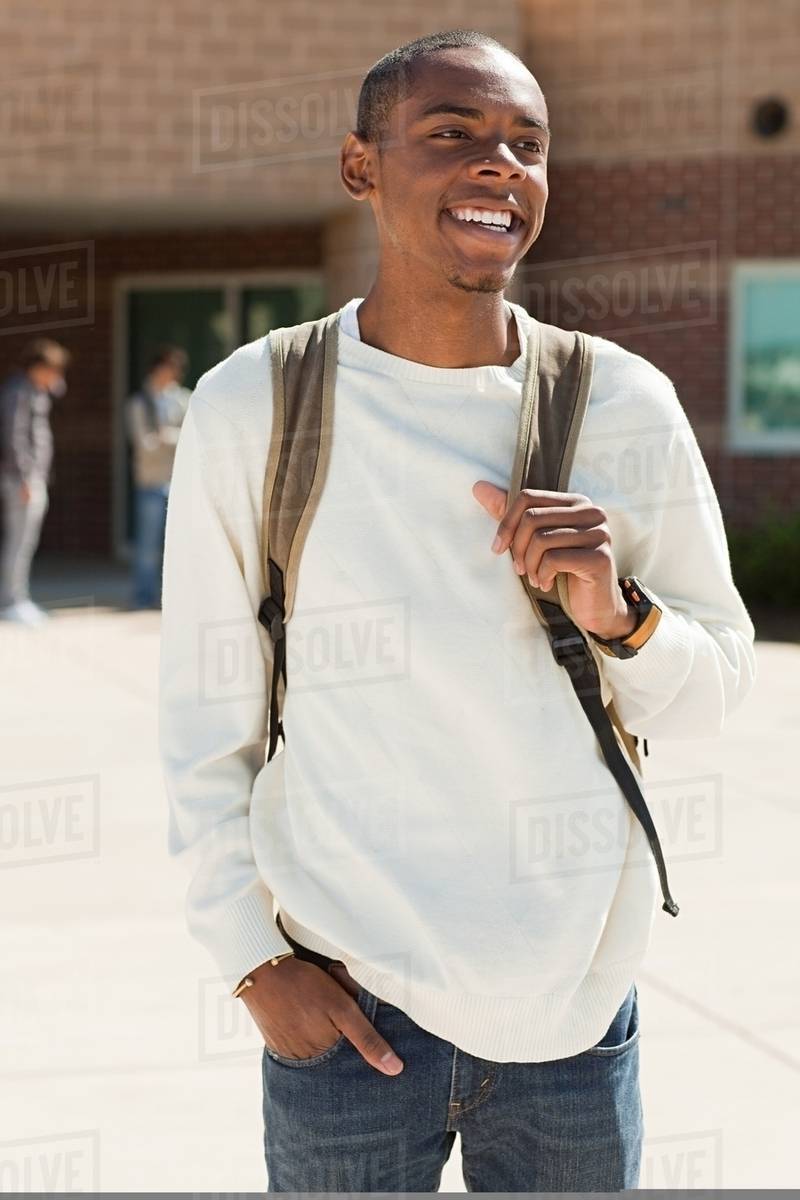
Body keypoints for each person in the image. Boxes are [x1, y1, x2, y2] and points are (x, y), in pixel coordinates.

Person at [158, 30, 757, 1192]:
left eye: (525, 146)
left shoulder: (622, 404)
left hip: (570, 1018)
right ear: (358, 167)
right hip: (343, 1014)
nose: (498, 166)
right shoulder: (255, 407)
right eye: (451, 136)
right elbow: (203, 724)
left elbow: (709, 693)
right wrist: (250, 963)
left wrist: (615, 609)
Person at [0, 338, 70, 626]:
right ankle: (11, 600)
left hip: (32, 477)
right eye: (52, 370)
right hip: (22, 479)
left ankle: (19, 597)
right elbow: (13, 437)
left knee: (26, 541)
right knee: (19, 541)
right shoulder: (18, 392)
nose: (55, 377)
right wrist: (26, 476)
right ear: (38, 367)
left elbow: (59, 389)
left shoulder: (35, 390)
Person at [124, 346, 189, 609]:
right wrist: (170, 438)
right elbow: (143, 444)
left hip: (180, 481)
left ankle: (175, 599)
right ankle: (144, 595)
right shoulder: (139, 403)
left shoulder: (184, 399)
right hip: (150, 481)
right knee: (147, 546)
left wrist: (166, 437)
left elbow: (191, 437)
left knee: (179, 545)